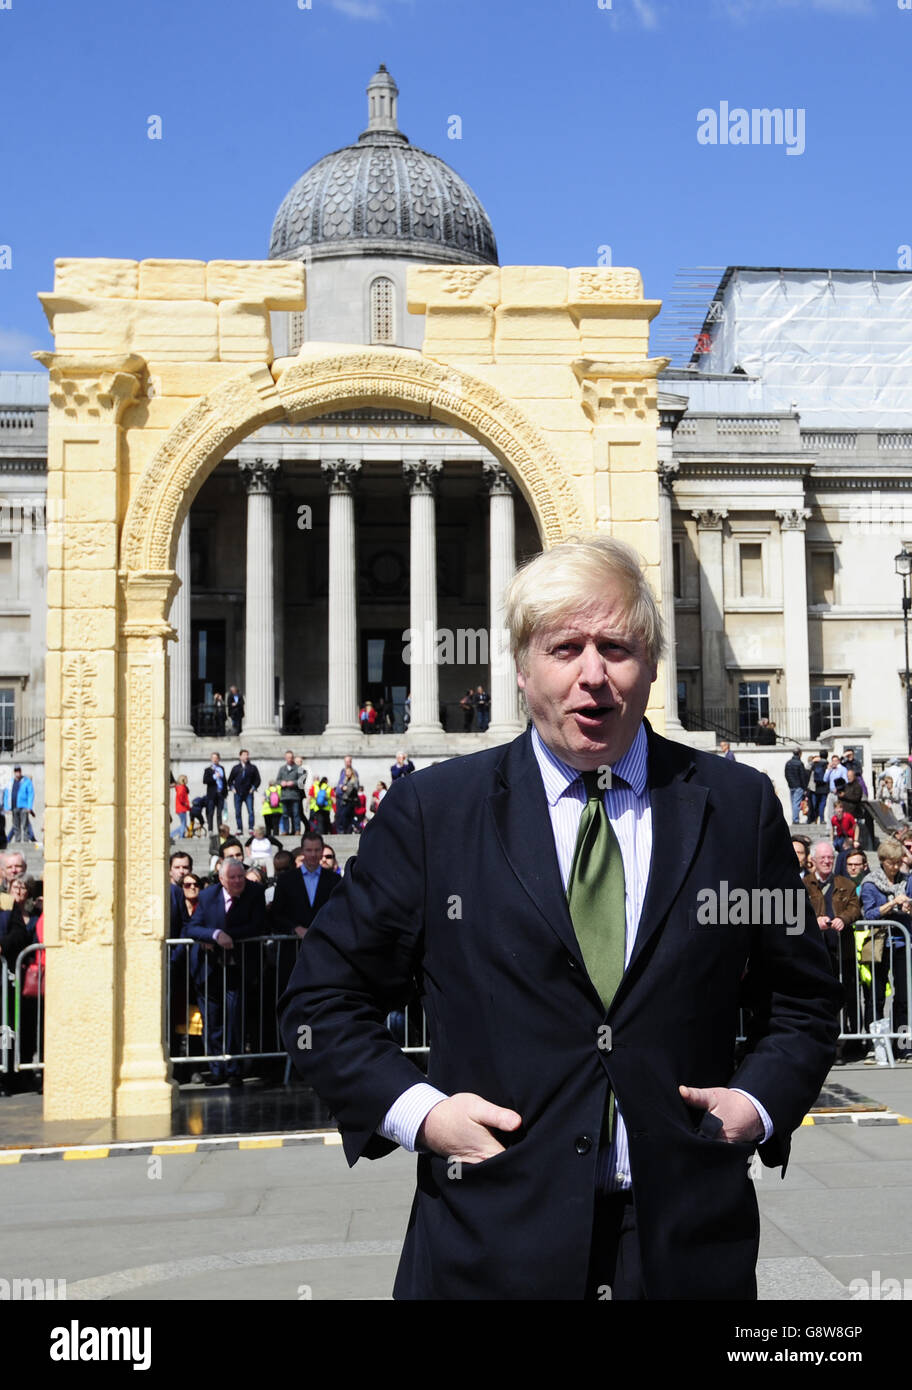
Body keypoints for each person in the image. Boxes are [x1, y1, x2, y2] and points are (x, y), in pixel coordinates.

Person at [279, 535, 840, 1302]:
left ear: (649, 665)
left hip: (684, 1253)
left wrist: (758, 1104)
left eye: (617, 647)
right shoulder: (433, 814)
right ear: (520, 667)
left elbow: (802, 1000)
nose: (593, 676)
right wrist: (423, 1115)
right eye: (564, 647)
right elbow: (322, 1002)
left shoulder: (736, 809)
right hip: (487, 1250)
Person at [182, 858, 266, 1086]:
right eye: (232, 877)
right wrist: (215, 935)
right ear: (221, 879)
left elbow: (258, 925)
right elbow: (193, 927)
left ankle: (234, 1068)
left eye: (241, 876)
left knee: (234, 1019)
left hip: (237, 968)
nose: (238, 881)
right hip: (210, 970)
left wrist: (228, 935)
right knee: (212, 1020)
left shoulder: (255, 893)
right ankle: (216, 1068)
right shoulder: (209, 896)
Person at [803, 842, 862, 1060]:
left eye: (830, 858)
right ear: (814, 860)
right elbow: (795, 910)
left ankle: (841, 1045)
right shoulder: (803, 884)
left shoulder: (845, 883)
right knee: (816, 999)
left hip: (840, 951)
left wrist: (843, 919)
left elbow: (855, 908)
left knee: (842, 998)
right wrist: (813, 921)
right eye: (823, 858)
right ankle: (816, 1044)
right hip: (814, 952)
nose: (827, 861)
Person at [859, 841, 911, 1043]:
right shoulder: (871, 883)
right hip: (878, 944)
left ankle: (902, 1043)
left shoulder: (906, 881)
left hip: (901, 943)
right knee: (876, 995)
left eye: (899, 862)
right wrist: (892, 904)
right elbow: (869, 914)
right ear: (882, 861)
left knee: (904, 996)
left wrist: (907, 908)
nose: (896, 867)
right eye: (892, 863)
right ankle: (876, 1043)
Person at [227, 749, 261, 836]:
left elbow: (257, 780)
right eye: (244, 755)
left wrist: (253, 788)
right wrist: (232, 788)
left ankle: (250, 828)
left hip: (248, 793)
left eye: (247, 755)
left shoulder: (252, 768)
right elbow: (230, 780)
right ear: (240, 756)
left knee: (250, 811)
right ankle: (239, 829)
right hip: (238, 793)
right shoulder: (236, 768)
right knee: (238, 812)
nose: (246, 757)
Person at [3, 767, 36, 844]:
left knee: (25, 825)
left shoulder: (26, 781)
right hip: (14, 806)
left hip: (24, 807)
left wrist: (29, 807)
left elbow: (31, 794)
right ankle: (17, 841)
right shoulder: (11, 782)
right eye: (16, 771)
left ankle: (25, 841)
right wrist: (6, 807)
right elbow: (6, 794)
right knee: (16, 825)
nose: (17, 773)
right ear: (14, 772)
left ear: (21, 772)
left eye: (19, 771)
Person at [276, 751, 306, 836]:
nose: (289, 759)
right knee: (285, 814)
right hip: (284, 795)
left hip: (294, 795)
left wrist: (293, 782)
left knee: (296, 814)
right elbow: (277, 780)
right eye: (288, 757)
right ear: (285, 758)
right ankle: (285, 830)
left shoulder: (299, 769)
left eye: (291, 757)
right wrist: (281, 783)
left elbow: (301, 782)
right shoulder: (282, 769)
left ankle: (297, 830)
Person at [203, 752, 227, 833]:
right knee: (210, 812)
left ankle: (220, 830)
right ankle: (210, 829)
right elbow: (205, 781)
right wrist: (214, 777)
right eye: (213, 758)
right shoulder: (208, 770)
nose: (215, 760)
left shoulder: (222, 768)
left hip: (220, 793)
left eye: (216, 758)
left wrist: (225, 793)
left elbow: (225, 781)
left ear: (219, 759)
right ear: (211, 759)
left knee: (219, 813)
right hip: (212, 794)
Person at [784, 749, 809, 824]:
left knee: (793, 803)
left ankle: (794, 818)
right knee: (796, 803)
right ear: (800, 754)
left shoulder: (788, 763)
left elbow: (786, 775)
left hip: (791, 786)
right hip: (798, 786)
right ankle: (795, 819)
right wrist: (804, 787)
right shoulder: (799, 763)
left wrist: (789, 783)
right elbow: (802, 776)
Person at [808, 752, 829, 826]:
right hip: (825, 787)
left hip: (816, 787)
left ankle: (814, 819)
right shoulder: (827, 764)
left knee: (815, 805)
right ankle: (822, 819)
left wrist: (812, 761)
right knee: (822, 804)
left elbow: (807, 768)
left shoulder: (816, 764)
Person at [171, 775, 191, 841]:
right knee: (183, 824)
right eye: (186, 779)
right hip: (181, 808)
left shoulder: (181, 787)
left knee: (183, 824)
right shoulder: (181, 788)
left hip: (181, 808)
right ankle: (180, 836)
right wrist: (184, 803)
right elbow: (180, 797)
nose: (187, 780)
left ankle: (174, 834)